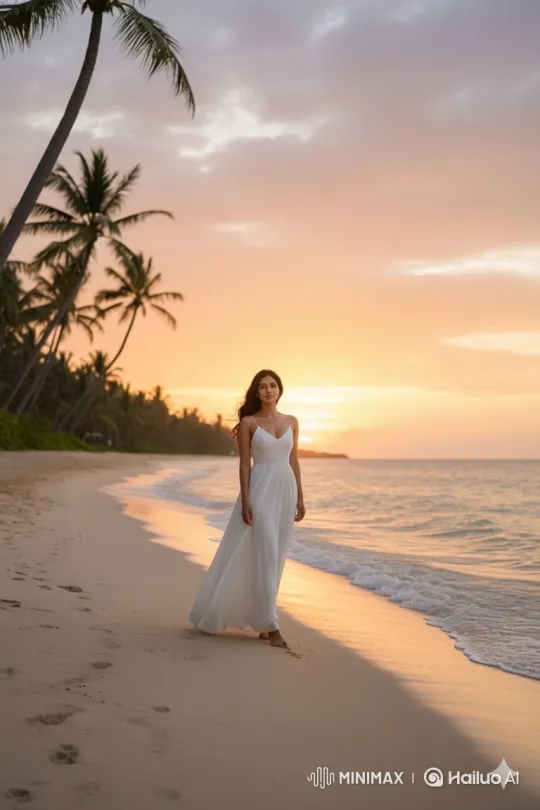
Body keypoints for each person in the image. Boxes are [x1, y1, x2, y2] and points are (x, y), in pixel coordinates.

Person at [188, 369, 305, 649]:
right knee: (265, 552)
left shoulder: (292, 421)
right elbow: (244, 464)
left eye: (273, 385)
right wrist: (246, 500)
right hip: (261, 489)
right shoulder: (248, 423)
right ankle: (272, 626)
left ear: (280, 390)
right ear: (256, 392)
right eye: (262, 386)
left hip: (285, 490)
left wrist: (301, 496)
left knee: (276, 556)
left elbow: (294, 460)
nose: (268, 390)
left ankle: (263, 620)